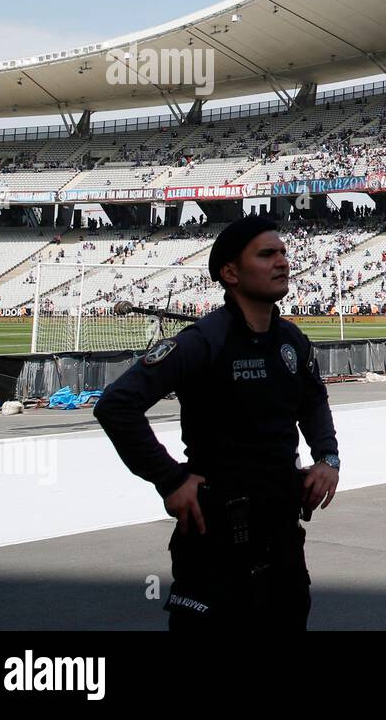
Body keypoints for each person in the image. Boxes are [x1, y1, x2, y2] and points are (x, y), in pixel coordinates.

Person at [94, 216, 340, 631]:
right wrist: (170, 479)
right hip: (217, 540)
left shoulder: (291, 339)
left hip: (281, 536)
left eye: (283, 252)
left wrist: (327, 457)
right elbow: (117, 405)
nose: (282, 261)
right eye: (267, 254)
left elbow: (313, 398)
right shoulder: (205, 340)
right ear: (230, 273)